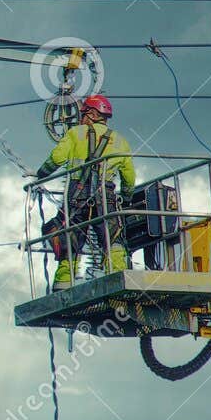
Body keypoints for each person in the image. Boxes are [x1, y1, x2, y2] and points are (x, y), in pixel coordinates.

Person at [35, 94, 135, 291]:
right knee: (112, 237)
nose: (81, 118)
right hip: (105, 198)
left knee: (69, 236)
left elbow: (56, 158)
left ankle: (64, 283)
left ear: (90, 113)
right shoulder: (120, 141)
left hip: (76, 197)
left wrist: (41, 175)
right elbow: (129, 176)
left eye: (83, 114)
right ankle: (118, 277)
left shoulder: (75, 133)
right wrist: (128, 198)